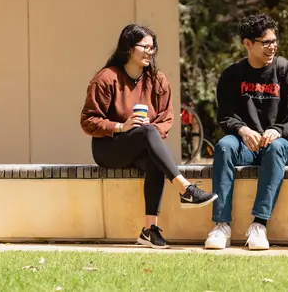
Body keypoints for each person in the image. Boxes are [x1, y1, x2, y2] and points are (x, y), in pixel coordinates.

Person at [81, 24, 217, 249]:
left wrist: (149, 133)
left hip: (141, 145)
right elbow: (88, 120)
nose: (149, 52)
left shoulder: (158, 80)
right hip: (109, 148)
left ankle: (149, 230)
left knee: (155, 158)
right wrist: (121, 127)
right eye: (144, 47)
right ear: (128, 47)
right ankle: (186, 189)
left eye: (152, 48)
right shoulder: (106, 78)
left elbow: (166, 117)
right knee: (147, 132)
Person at [204, 14, 288, 250]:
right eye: (266, 42)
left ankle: (259, 224)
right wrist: (242, 129)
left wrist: (277, 130)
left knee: (275, 147)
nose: (272, 47)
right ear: (248, 44)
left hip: (283, 144)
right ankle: (221, 225)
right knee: (224, 146)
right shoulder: (232, 75)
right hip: (247, 145)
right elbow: (226, 116)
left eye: (274, 41)